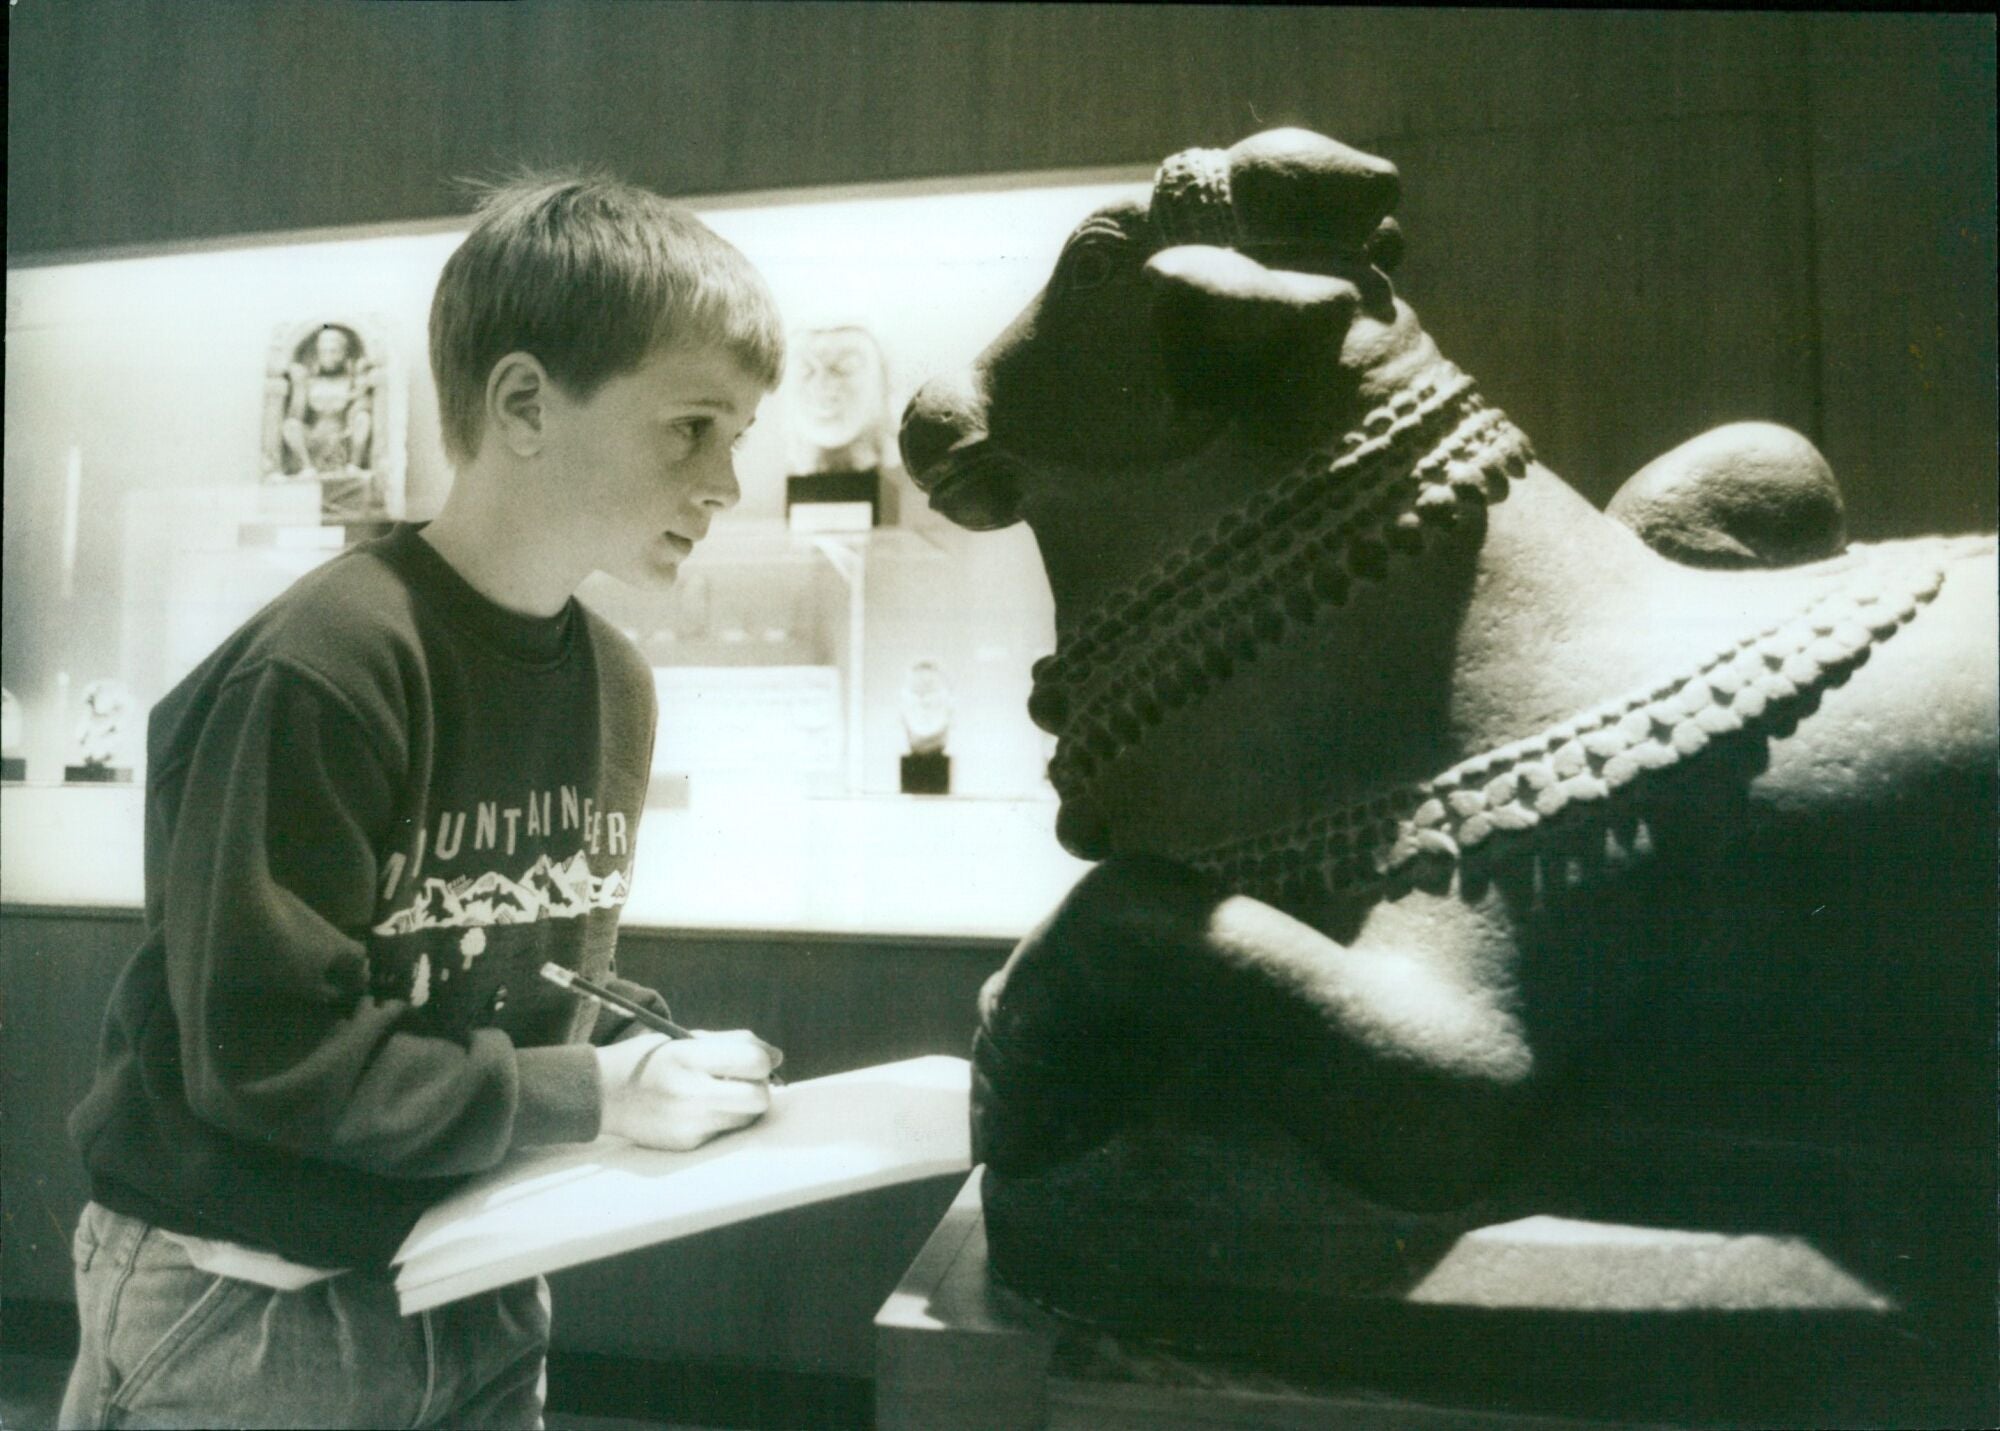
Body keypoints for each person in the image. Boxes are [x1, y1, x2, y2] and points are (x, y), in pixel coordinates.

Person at [59, 173, 787, 1429]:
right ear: (523, 404)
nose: (726, 480)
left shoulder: (616, 683)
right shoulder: (330, 664)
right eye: (690, 428)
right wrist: (597, 1094)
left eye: (739, 435)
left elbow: (513, 977)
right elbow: (266, 1056)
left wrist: (648, 1053)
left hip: (477, 1271)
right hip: (252, 1306)